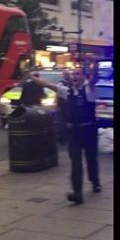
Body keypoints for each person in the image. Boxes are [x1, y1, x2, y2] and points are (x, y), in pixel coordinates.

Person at [28, 67, 102, 204]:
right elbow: (48, 85)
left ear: (83, 76)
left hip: (89, 131)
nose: (75, 76)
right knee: (76, 163)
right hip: (74, 132)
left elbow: (93, 79)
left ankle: (95, 181)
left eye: (78, 74)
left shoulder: (89, 90)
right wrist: (32, 78)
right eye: (73, 74)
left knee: (91, 158)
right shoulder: (66, 91)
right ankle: (77, 193)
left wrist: (94, 68)